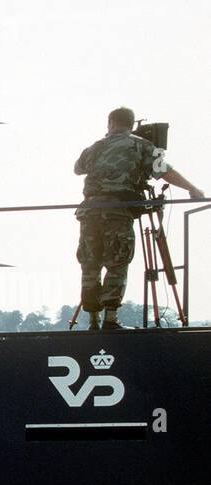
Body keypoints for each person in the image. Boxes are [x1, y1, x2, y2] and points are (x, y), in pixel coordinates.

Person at [74, 107, 204, 331]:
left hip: (90, 211)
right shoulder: (141, 145)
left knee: (90, 263)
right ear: (131, 124)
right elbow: (163, 170)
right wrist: (192, 189)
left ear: (111, 123)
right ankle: (110, 320)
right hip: (118, 211)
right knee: (117, 262)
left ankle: (93, 321)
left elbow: (78, 168)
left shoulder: (95, 147)